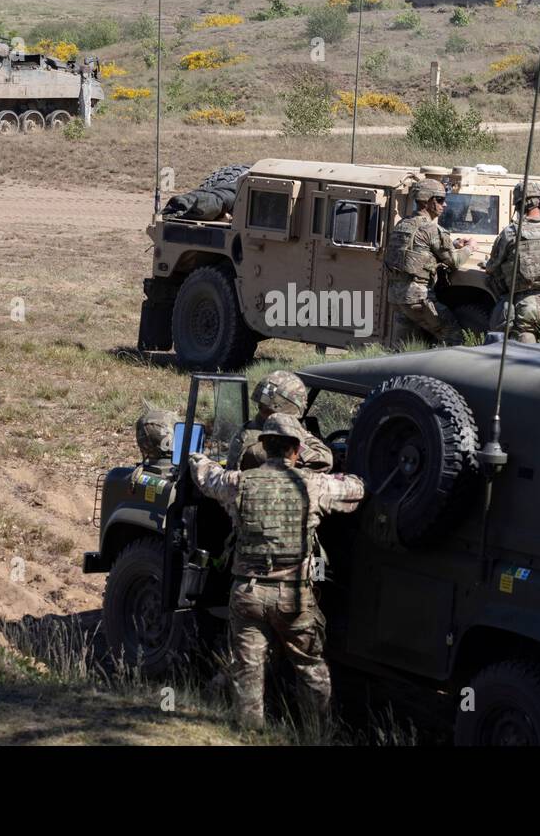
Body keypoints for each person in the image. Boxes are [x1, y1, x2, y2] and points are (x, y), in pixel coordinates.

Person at [189, 414, 365, 730]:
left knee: (248, 668)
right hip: (294, 597)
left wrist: (196, 457)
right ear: (296, 449)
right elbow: (356, 490)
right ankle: (315, 733)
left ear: (264, 445)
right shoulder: (313, 485)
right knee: (310, 667)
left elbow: (207, 477)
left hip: (248, 595)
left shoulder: (239, 483)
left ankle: (250, 732)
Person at [383, 178, 473, 348]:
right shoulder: (431, 229)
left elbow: (418, 249)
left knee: (406, 345)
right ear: (427, 201)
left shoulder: (403, 225)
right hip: (418, 297)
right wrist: (469, 248)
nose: (444, 205)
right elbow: (454, 261)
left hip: (397, 296)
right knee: (454, 335)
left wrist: (454, 245)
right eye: (439, 200)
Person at [485, 182, 540, 343]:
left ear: (518, 205)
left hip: (524, 306)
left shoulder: (511, 232)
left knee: (524, 358)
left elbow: (492, 267)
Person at [227, 370, 332, 473]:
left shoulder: (253, 429)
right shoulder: (266, 445)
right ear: (286, 407)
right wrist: (300, 433)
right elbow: (324, 461)